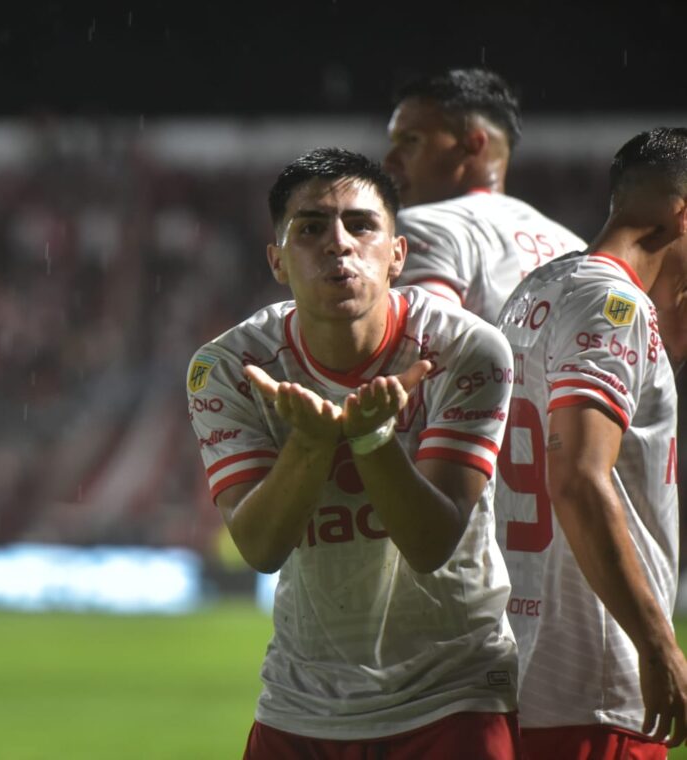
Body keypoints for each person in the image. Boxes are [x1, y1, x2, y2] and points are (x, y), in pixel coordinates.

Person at [187, 147, 519, 757]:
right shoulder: (228, 367)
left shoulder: (466, 350)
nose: (338, 243)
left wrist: (371, 439)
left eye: (361, 225)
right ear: (277, 260)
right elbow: (260, 548)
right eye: (310, 228)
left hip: (452, 696)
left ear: (397, 255)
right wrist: (310, 444)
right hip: (300, 701)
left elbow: (430, 543)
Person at [495, 127, 687, 758]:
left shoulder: (537, 289)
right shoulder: (614, 305)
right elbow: (579, 478)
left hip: (524, 666)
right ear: (682, 214)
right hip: (597, 678)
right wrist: (657, 645)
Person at [385, 67, 586, 323]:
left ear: (472, 145)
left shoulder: (423, 226)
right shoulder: (578, 248)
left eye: (410, 140)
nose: (389, 160)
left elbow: (429, 341)